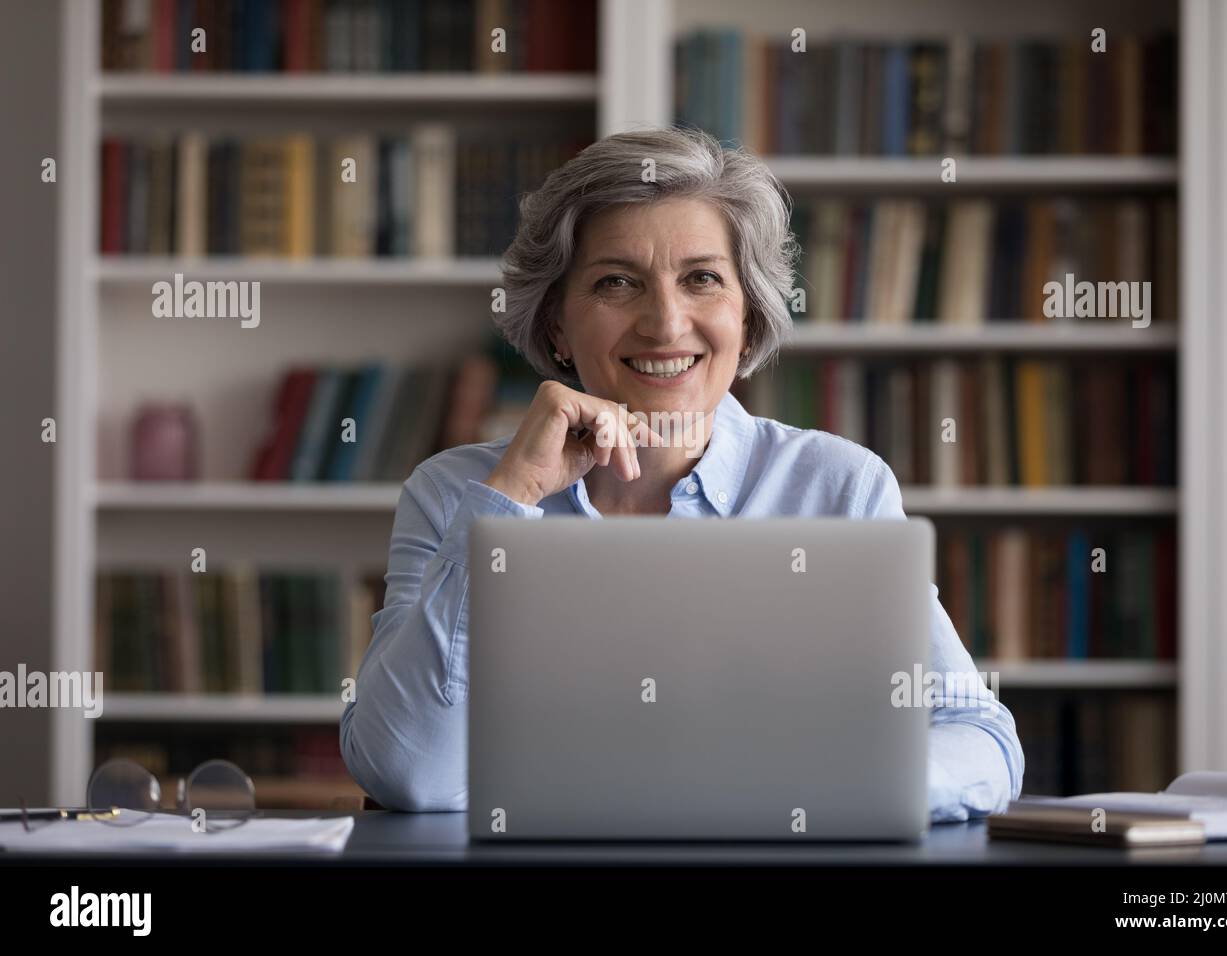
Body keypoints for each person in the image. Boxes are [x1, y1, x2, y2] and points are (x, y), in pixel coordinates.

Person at [340, 127, 1025, 820]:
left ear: (749, 317)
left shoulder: (837, 489)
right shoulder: (456, 494)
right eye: (617, 282)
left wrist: (823, 782)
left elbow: (981, 741)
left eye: (701, 279)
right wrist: (507, 502)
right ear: (555, 326)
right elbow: (410, 771)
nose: (665, 324)